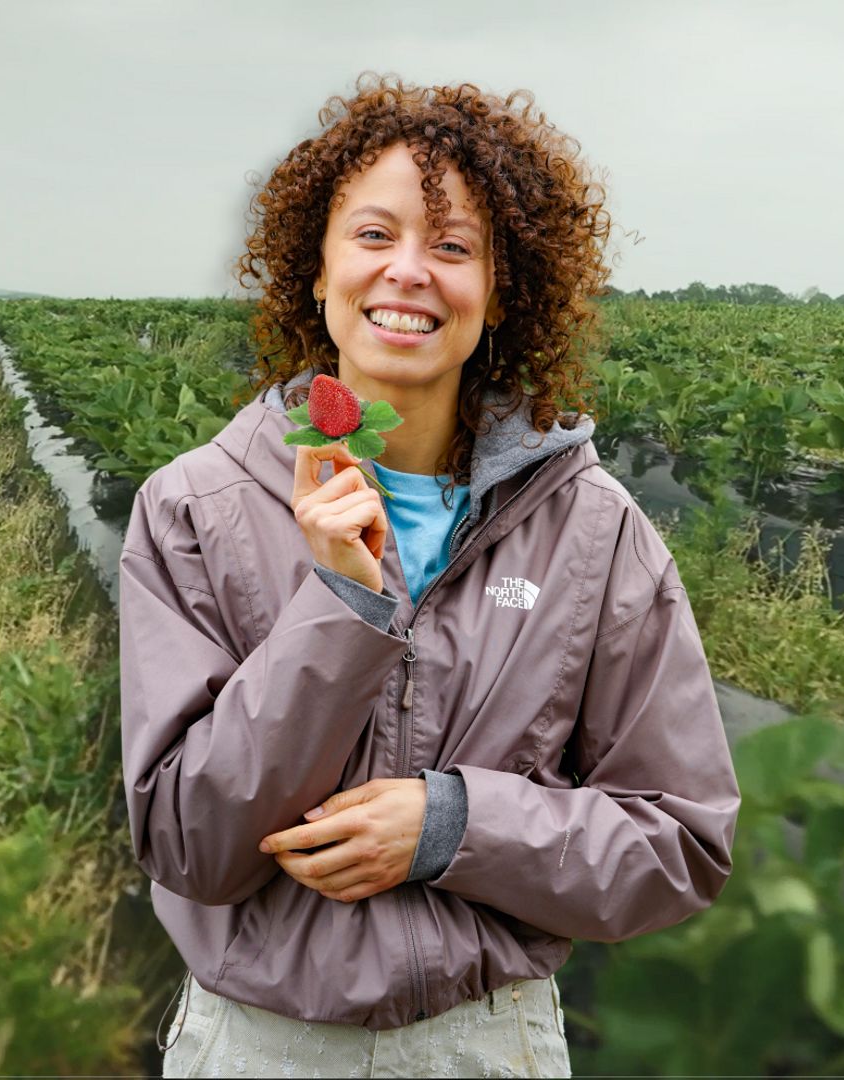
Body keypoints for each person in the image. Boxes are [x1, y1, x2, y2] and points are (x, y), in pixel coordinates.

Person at [119, 73, 740, 1079]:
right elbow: (188, 845)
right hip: (259, 1043)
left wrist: (454, 827)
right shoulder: (195, 507)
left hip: (487, 1041)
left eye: (453, 248)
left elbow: (679, 843)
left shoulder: (592, 529)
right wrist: (340, 606)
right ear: (317, 271)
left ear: (500, 293)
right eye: (374, 235)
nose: (408, 272)